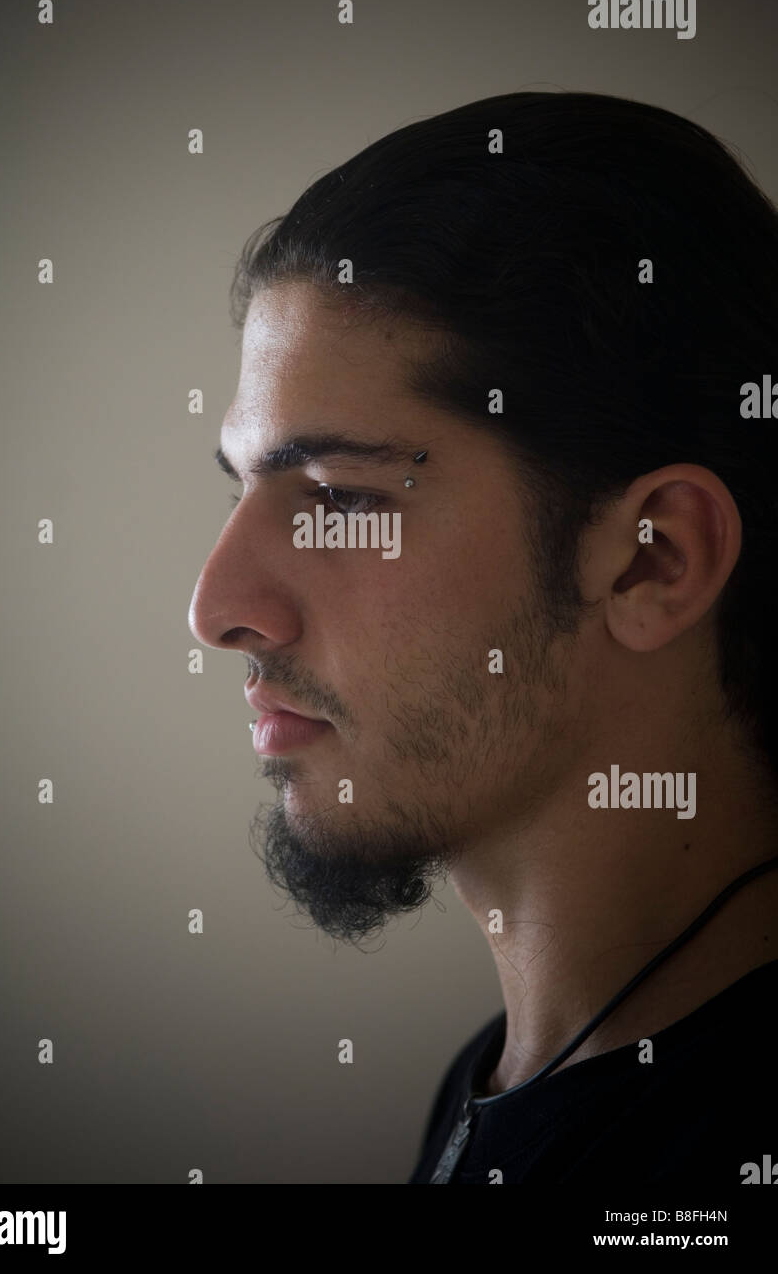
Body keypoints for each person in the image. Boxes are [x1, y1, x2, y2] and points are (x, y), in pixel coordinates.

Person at [188, 91, 778, 1183]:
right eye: (242, 490)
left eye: (341, 499)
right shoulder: (500, 1083)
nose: (219, 608)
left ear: (655, 558)